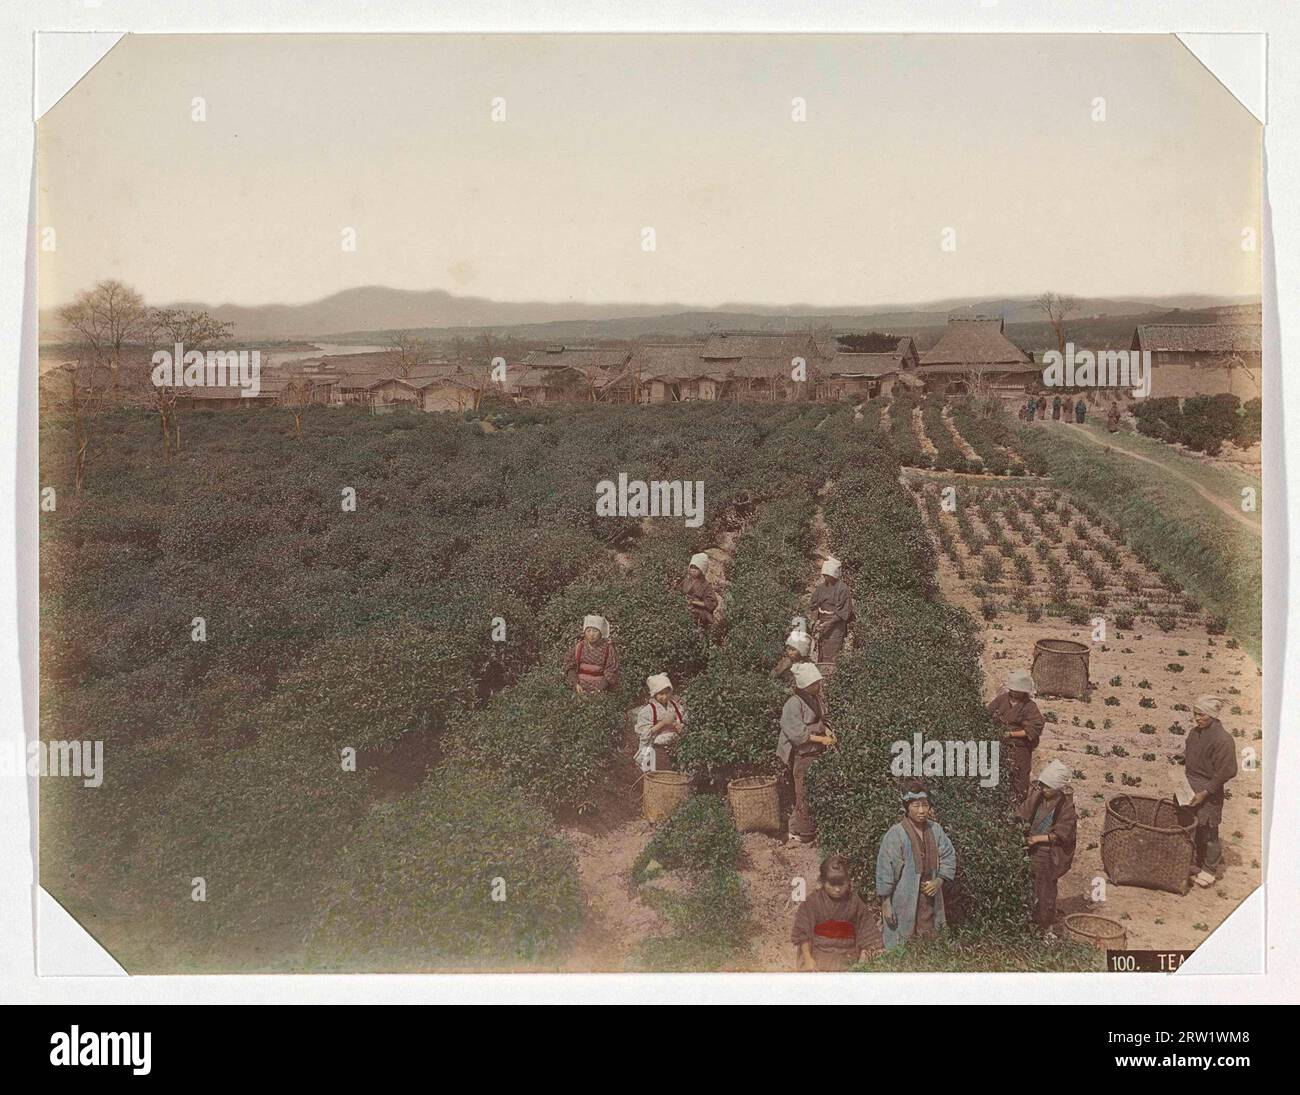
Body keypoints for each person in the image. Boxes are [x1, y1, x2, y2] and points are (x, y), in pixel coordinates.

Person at [875, 780, 957, 950]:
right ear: (907, 807)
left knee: (932, 944)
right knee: (902, 945)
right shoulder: (896, 834)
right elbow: (885, 870)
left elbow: (948, 855)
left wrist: (939, 880)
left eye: (925, 805)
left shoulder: (936, 830)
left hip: (931, 895)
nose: (921, 811)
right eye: (916, 806)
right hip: (904, 897)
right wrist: (886, 903)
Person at [1181, 695, 1238, 888]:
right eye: (1195, 714)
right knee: (1191, 826)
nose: (1197, 718)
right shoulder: (1194, 733)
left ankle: (1210, 869)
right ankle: (1195, 862)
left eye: (1201, 715)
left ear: (1212, 715)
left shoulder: (1224, 740)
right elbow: (1191, 755)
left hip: (1209, 790)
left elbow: (1227, 771)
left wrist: (1206, 792)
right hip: (1190, 786)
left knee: (1209, 831)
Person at [1017, 759, 1077, 936]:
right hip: (1030, 846)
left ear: (1058, 788)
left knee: (1045, 890)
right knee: (1027, 885)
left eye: (1047, 787)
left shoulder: (1066, 807)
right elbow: (1022, 813)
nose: (1043, 790)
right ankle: (1027, 922)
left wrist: (1036, 839)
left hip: (1049, 852)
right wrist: (1022, 827)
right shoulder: (1038, 798)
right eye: (1042, 786)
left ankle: (1046, 926)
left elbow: (1062, 835)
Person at [778, 662, 835, 844]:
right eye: (815, 684)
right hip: (802, 753)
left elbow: (822, 719)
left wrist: (826, 730)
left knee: (815, 787)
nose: (819, 687)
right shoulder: (793, 704)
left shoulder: (816, 698)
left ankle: (811, 825)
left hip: (815, 751)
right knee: (803, 789)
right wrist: (821, 739)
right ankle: (802, 831)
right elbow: (798, 734)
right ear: (804, 686)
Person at [791, 855, 880, 971]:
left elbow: (868, 936)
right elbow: (802, 934)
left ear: (848, 881)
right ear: (822, 881)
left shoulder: (855, 903)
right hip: (819, 961)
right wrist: (808, 960)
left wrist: (861, 965)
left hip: (848, 962)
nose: (837, 889)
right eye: (832, 884)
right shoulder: (812, 902)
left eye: (841, 884)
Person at [987, 669, 1045, 803]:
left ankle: (1018, 806)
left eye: (1017, 690)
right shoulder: (1002, 699)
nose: (1013, 693)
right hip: (1000, 744)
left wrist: (1010, 734)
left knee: (1019, 778)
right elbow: (988, 713)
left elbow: (1034, 728)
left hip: (1020, 748)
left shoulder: (1030, 707)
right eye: (1012, 689)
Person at [635, 673, 685, 772]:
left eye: (667, 693)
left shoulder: (675, 706)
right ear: (654, 694)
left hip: (676, 747)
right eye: (661, 694)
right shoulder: (649, 710)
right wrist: (662, 723)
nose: (665, 697)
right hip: (657, 749)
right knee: (659, 774)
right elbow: (644, 734)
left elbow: (682, 720)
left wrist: (681, 726)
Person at [810, 558, 854, 663]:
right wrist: (814, 620)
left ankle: (831, 676)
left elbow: (844, 612)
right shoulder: (821, 588)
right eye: (824, 575)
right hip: (822, 623)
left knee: (832, 654)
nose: (825, 577)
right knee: (821, 652)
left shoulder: (843, 589)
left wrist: (829, 623)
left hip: (836, 625)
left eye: (827, 575)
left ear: (833, 575)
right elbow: (813, 605)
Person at [562, 614, 620, 693]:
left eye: (595, 631)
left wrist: (599, 689)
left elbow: (611, 671)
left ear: (600, 633)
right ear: (584, 632)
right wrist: (575, 684)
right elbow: (570, 666)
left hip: (601, 689)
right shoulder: (579, 647)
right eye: (588, 630)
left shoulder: (608, 649)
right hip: (579, 688)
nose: (591, 634)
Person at [681, 552, 718, 630]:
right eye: (692, 567)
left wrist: (693, 602)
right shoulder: (686, 581)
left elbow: (712, 603)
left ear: (702, 570)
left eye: (696, 568)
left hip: (699, 612)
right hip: (684, 607)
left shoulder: (706, 585)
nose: (693, 570)